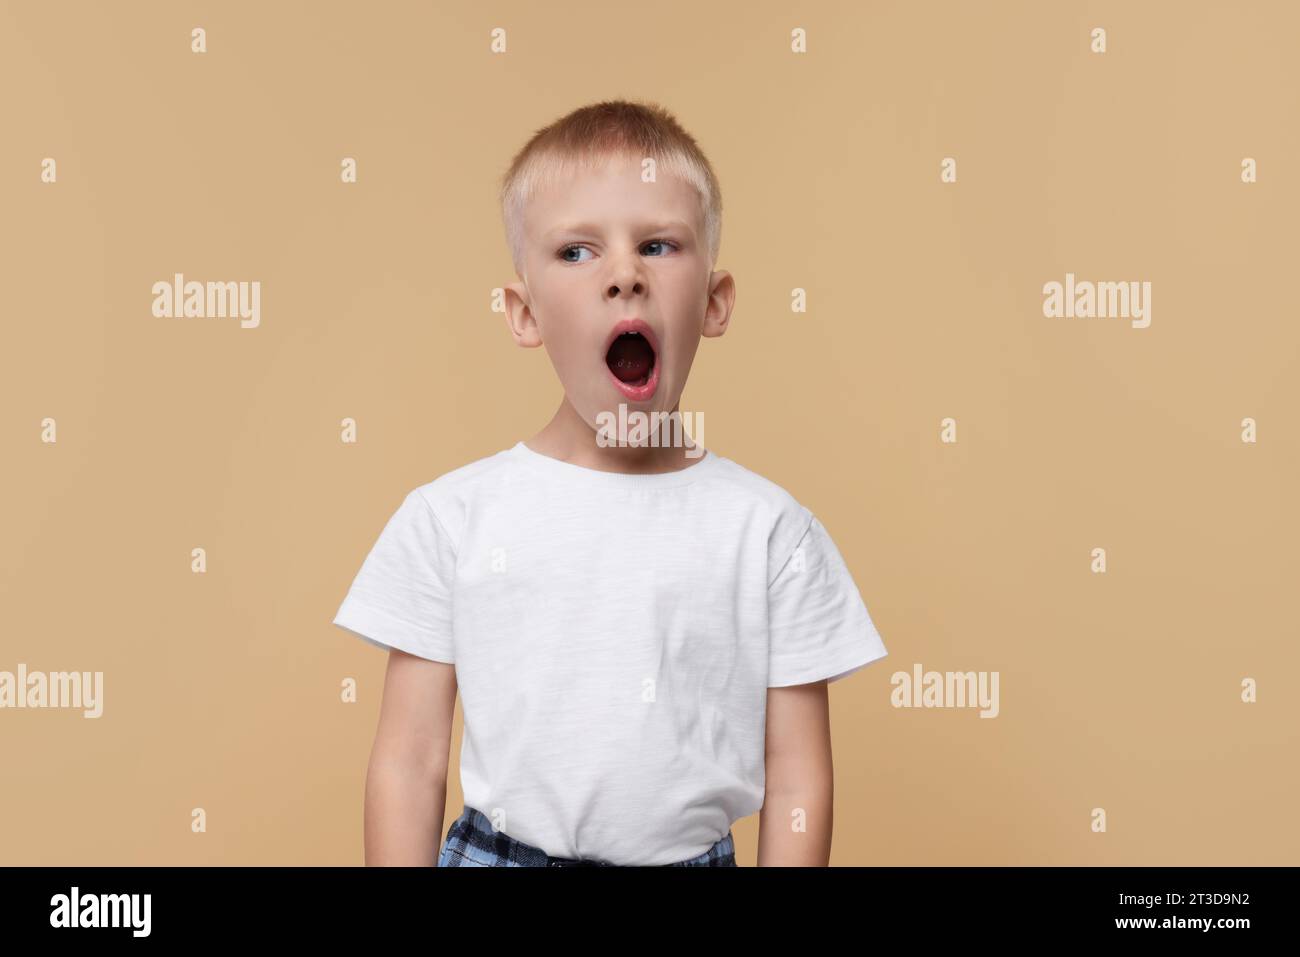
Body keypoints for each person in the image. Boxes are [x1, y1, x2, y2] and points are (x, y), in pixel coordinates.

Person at [332, 99, 889, 867]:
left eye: (658, 245)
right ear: (524, 314)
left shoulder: (770, 534)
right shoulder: (451, 520)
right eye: (576, 252)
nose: (624, 275)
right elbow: (409, 762)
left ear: (715, 302)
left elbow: (798, 780)